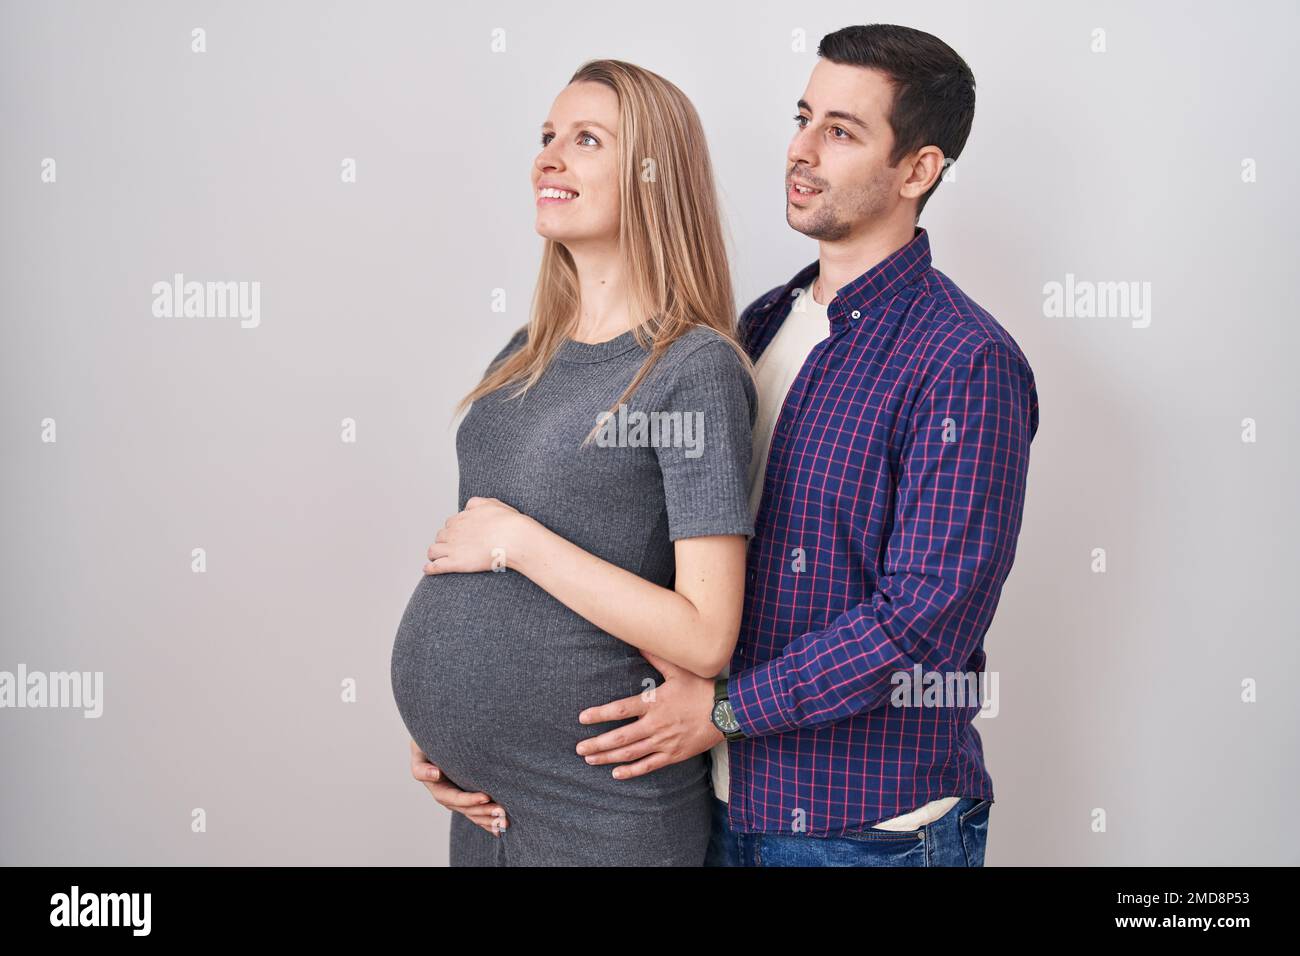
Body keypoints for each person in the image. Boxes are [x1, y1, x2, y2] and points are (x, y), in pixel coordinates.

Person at [563, 24, 1040, 866]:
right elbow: (671, 561)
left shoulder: (967, 362)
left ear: (918, 171)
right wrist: (493, 726)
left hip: (863, 833)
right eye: (803, 116)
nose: (800, 149)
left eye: (842, 131)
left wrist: (725, 710)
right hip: (711, 799)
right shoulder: (757, 327)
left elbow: (921, 626)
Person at [390, 59, 756, 866]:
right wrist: (447, 730)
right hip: (487, 810)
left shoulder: (692, 369)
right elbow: (475, 568)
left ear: (653, 176)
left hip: (599, 809)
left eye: (586, 140)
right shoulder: (522, 354)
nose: (547, 158)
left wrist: (518, 540)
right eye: (547, 136)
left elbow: (705, 637)